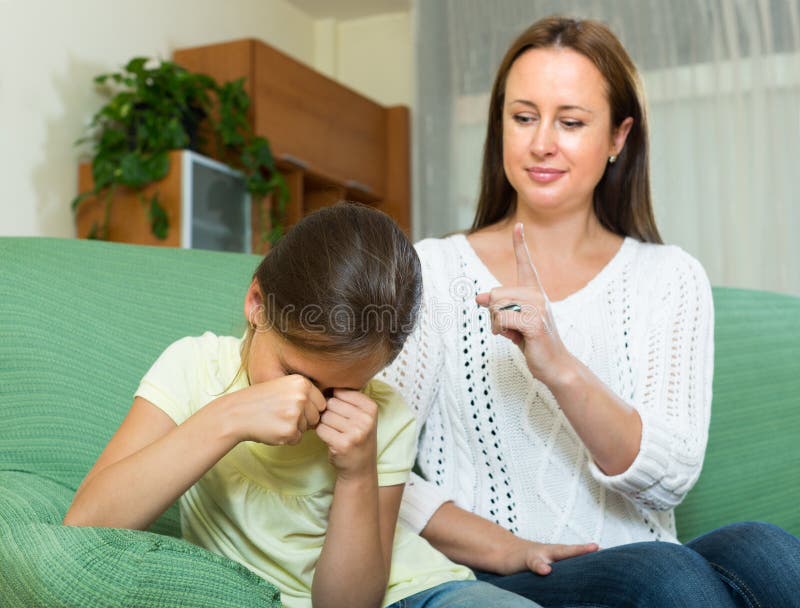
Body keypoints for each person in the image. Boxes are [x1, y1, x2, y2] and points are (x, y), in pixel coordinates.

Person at [378, 16, 800, 608]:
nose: (542, 142)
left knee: (771, 552)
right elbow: (374, 458)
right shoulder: (432, 271)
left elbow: (671, 475)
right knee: (669, 579)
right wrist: (502, 544)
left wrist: (558, 366)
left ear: (619, 138)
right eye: (523, 117)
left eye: (571, 122)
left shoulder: (669, 276)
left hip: (647, 565)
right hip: (502, 573)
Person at [62, 203, 544, 608]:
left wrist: (357, 475)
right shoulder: (193, 368)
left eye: (346, 388)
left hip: (422, 589)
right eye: (296, 374)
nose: (313, 401)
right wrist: (227, 417)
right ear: (256, 304)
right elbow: (86, 524)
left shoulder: (383, 417)